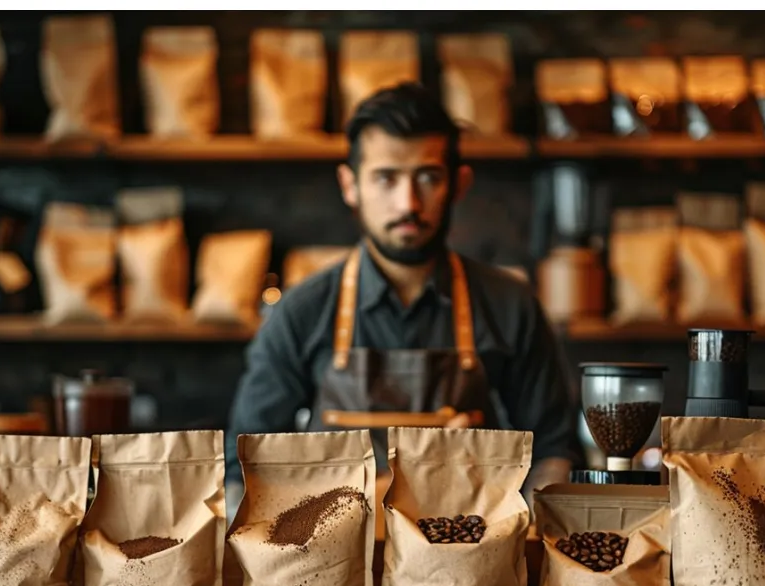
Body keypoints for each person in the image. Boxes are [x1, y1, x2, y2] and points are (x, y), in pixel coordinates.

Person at [225, 82, 579, 511]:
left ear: (459, 184)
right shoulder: (301, 313)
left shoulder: (510, 305)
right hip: (331, 567)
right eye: (386, 178)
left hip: (469, 560)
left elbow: (553, 452)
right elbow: (244, 466)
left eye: (427, 177)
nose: (408, 203)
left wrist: (528, 532)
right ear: (350, 184)